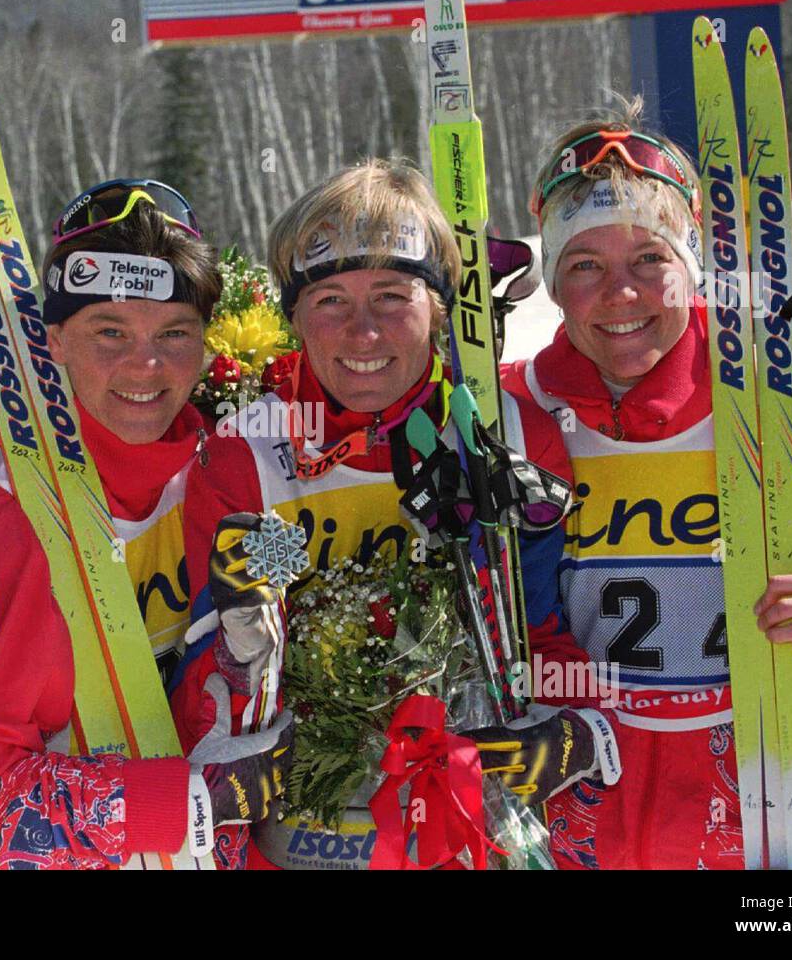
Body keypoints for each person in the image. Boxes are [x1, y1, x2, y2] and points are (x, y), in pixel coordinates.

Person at [497, 105, 792, 869]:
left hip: (772, 817)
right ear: (554, 282)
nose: (620, 294)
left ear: (690, 263)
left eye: (649, 259)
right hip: (575, 825)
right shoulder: (511, 411)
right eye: (585, 264)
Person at [173, 159, 613, 869]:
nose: (363, 332)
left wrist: (574, 730)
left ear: (439, 305)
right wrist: (238, 654)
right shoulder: (245, 454)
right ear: (293, 316)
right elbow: (206, 691)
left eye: (391, 296)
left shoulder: (508, 434)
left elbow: (550, 630)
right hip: (307, 838)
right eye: (330, 302)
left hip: (474, 824)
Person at [0, 181, 292, 868]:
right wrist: (186, 805)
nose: (145, 366)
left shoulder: (227, 479)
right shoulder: (5, 510)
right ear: (54, 342)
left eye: (174, 335)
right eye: (111, 333)